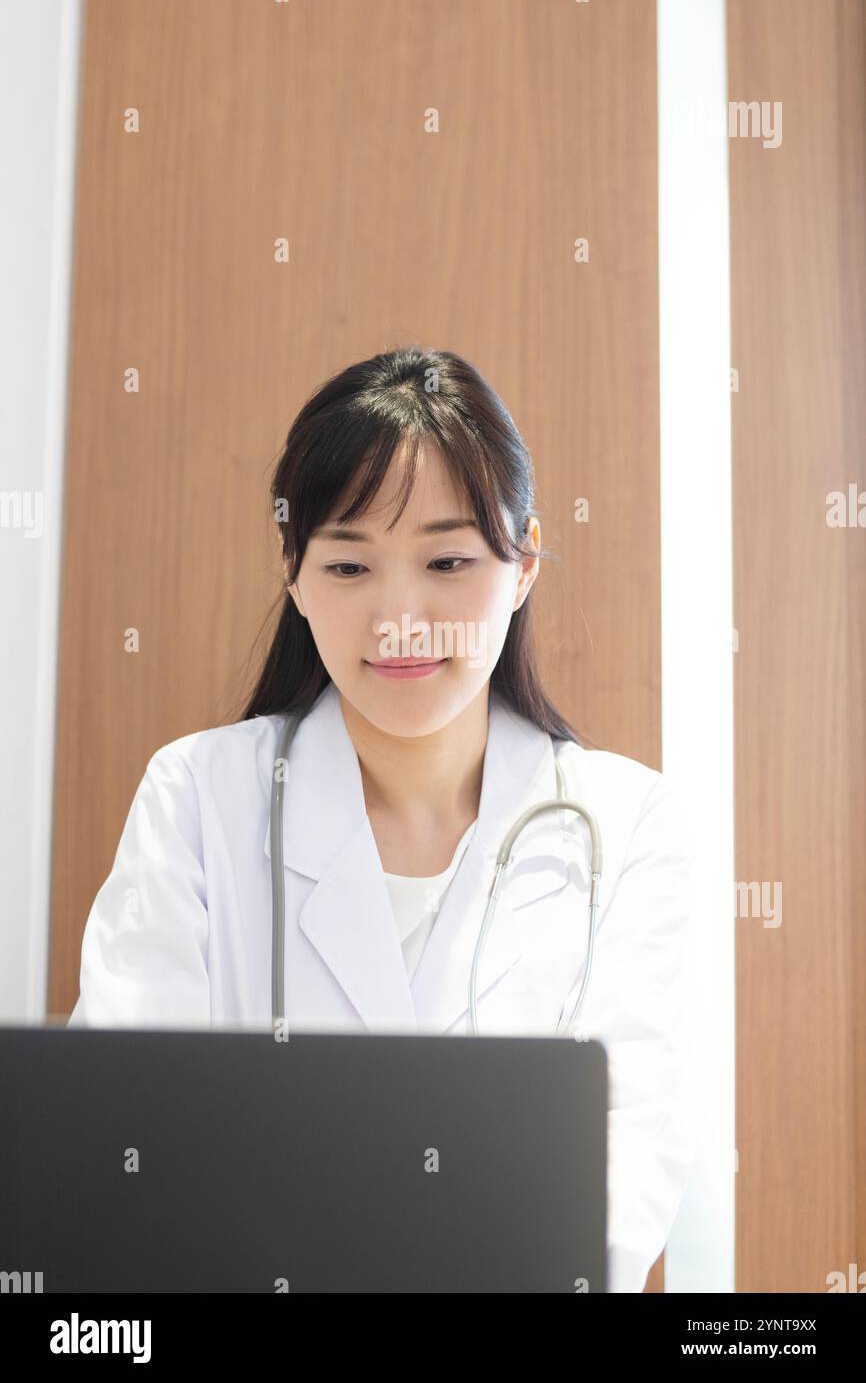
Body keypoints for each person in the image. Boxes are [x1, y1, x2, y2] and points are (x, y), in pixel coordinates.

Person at [68, 345, 696, 1292]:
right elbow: (121, 1147)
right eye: (351, 564)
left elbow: (622, 1172)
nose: (400, 618)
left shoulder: (629, 824)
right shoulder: (197, 799)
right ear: (295, 573)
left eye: (447, 559)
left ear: (522, 563)